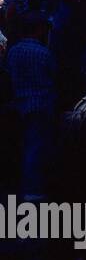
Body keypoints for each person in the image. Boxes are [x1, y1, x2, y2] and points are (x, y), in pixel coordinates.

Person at [3, 13, 58, 199]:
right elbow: (53, 77)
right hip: (40, 106)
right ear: (38, 30)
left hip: (18, 106)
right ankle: (33, 192)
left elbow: (8, 76)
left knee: (23, 147)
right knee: (35, 149)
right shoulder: (44, 53)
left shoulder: (14, 51)